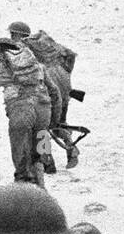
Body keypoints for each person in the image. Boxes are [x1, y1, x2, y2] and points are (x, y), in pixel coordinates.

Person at [0, 38, 59, 185]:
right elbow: (55, 92)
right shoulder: (37, 66)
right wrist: (54, 121)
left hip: (21, 112)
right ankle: (44, 171)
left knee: (21, 154)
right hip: (44, 110)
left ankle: (23, 183)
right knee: (39, 148)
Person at [8, 21, 79, 167]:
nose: (11, 37)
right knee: (60, 122)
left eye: (12, 34)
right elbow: (70, 55)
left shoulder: (23, 49)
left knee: (41, 126)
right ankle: (71, 147)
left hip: (49, 89)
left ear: (17, 34)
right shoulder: (47, 46)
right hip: (64, 85)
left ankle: (47, 161)